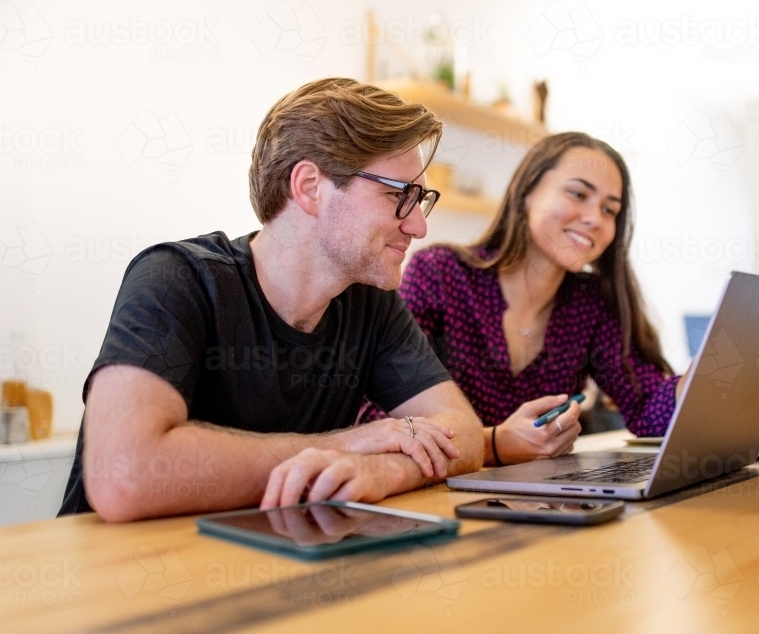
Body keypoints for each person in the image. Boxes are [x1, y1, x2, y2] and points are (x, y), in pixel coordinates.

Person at [58, 78, 484, 522]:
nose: (419, 226)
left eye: (420, 200)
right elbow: (123, 476)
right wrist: (344, 444)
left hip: (259, 569)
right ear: (310, 187)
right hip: (117, 578)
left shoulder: (369, 304)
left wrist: (385, 470)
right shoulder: (176, 279)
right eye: (398, 195)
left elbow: (465, 433)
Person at [386, 132, 686, 466]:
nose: (594, 218)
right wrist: (493, 445)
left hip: (542, 502)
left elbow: (647, 410)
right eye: (578, 193)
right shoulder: (440, 273)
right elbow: (385, 416)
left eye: (609, 210)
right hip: (435, 494)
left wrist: (706, 377)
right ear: (525, 191)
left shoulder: (592, 302)